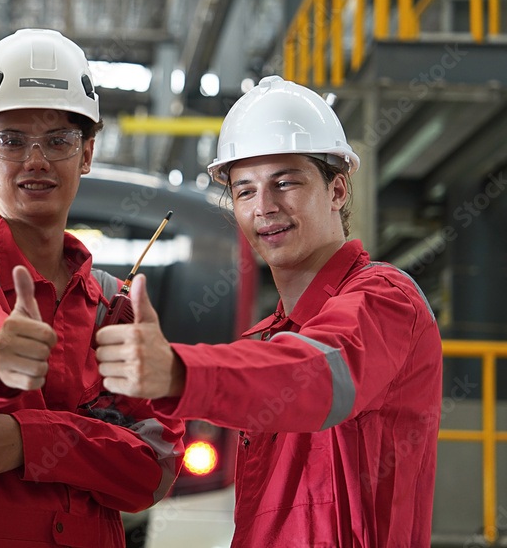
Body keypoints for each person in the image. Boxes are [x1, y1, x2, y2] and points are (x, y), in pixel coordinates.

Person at [94, 75, 443, 546]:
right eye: (245, 191)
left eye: (285, 182)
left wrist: (177, 371)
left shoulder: (386, 300)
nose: (265, 207)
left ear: (337, 191)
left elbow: (315, 376)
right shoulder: (262, 340)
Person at [0, 29, 184, 548]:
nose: (36, 161)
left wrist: (28, 439)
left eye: (59, 141)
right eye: (11, 141)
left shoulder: (116, 309)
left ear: (88, 153)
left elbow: (154, 466)